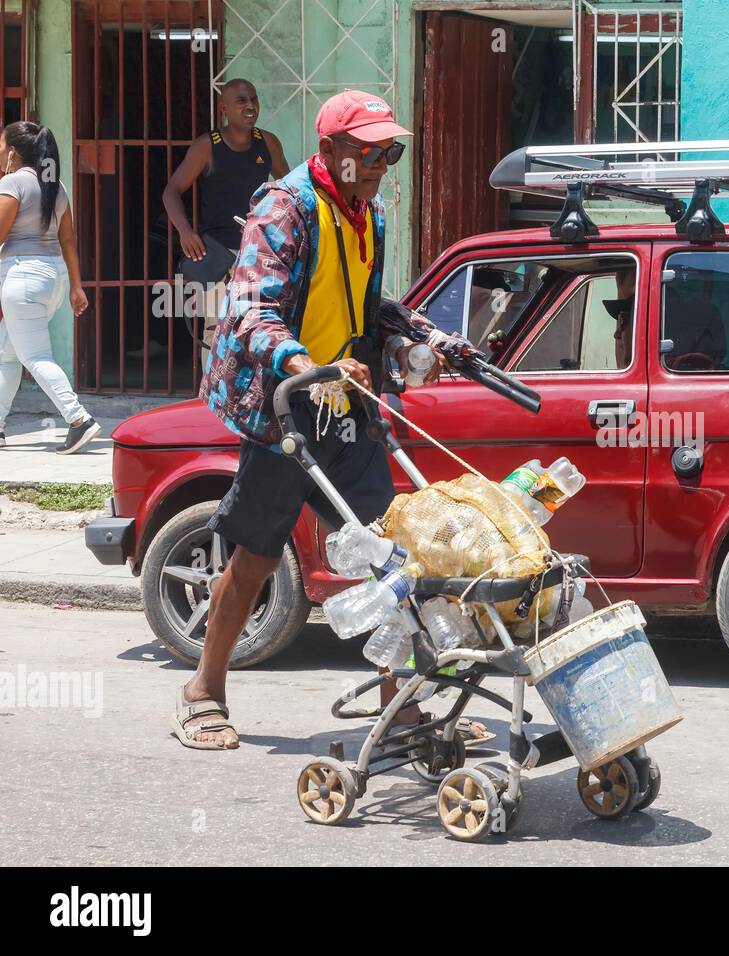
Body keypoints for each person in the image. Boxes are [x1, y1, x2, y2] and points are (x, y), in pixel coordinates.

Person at [170, 90, 443, 749]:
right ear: (330, 153)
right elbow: (250, 310)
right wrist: (301, 363)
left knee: (390, 552)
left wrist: (419, 334)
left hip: (343, 407)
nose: (383, 163)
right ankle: (202, 691)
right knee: (258, 555)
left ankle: (399, 709)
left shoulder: (368, 210)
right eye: (371, 151)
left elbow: (367, 301)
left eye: (391, 152)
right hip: (283, 409)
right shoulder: (284, 205)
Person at [162, 79, 289, 351]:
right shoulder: (207, 145)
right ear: (224, 109)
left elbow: (288, 192)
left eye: (253, 99)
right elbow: (171, 191)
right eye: (241, 101)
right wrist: (185, 231)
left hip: (257, 252)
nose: (250, 106)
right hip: (217, 253)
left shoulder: (267, 143)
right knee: (215, 333)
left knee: (258, 329)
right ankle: (211, 394)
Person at [0, 122, 99, 454]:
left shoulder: (12, 183)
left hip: (22, 278)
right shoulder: (56, 186)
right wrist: (77, 286)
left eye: (1, 144)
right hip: (52, 278)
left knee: (35, 357)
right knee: (7, 355)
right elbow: (68, 239)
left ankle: (78, 419)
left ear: (13, 152)